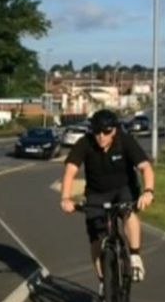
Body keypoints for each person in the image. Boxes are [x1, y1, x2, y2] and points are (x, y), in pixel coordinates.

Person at [59, 109, 155, 292]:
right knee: (96, 238)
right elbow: (70, 171)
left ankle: (135, 256)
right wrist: (65, 197)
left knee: (128, 211)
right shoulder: (85, 143)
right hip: (96, 193)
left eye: (106, 132)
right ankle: (103, 281)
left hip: (123, 189)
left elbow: (145, 167)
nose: (101, 137)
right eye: (97, 132)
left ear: (115, 130)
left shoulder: (125, 140)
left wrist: (148, 191)